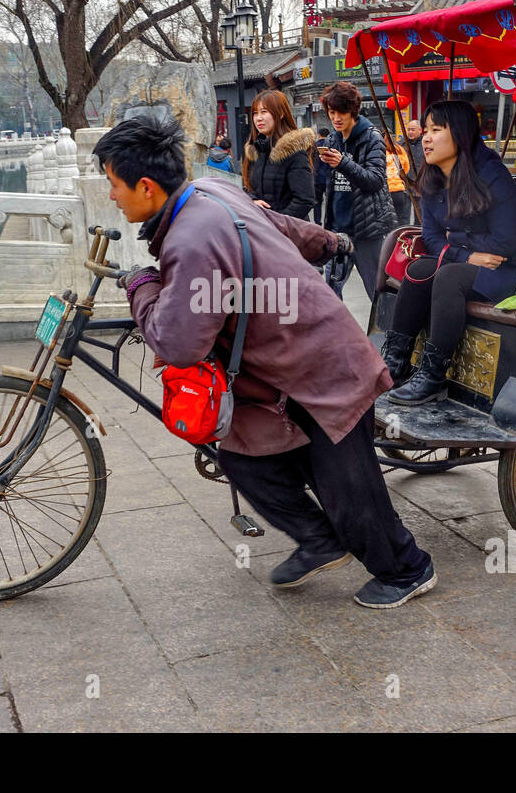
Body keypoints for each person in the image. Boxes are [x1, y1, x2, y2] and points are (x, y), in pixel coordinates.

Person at [100, 116, 436, 608]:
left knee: (349, 487)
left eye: (113, 185)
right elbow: (278, 226)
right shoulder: (209, 192)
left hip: (320, 365)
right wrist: (329, 241)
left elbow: (178, 344)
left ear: (146, 187)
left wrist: (141, 287)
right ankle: (321, 541)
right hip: (286, 367)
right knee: (240, 454)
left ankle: (407, 569)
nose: (111, 196)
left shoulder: (193, 238)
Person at [381, 100, 516, 404]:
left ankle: (433, 376)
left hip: (513, 270)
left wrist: (454, 246)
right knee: (418, 270)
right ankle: (396, 362)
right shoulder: (432, 176)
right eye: (425, 130)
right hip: (473, 265)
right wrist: (465, 253)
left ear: (460, 133)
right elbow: (430, 235)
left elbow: (504, 243)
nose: (425, 137)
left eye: (436, 130)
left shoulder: (491, 174)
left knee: (449, 277)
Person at [317, 81, 397, 301]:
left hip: (368, 230)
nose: (336, 118)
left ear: (353, 110)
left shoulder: (372, 137)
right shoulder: (333, 138)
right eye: (331, 112)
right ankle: (339, 336)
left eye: (341, 112)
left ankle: (387, 334)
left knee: (378, 292)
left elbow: (375, 181)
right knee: (331, 295)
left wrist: (343, 163)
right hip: (338, 229)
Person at [242, 90, 315, 220]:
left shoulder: (294, 151)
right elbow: (249, 188)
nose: (259, 118)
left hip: (289, 232)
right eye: (255, 113)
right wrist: (252, 200)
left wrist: (276, 222)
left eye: (264, 112)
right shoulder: (256, 150)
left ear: (280, 114)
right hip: (262, 228)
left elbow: (304, 200)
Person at [383, 126, 413, 227]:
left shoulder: (380, 150)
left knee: (388, 220)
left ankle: (390, 240)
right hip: (399, 190)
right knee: (401, 218)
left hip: (386, 190)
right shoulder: (400, 150)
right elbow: (406, 169)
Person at [312, 125, 332, 213]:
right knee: (331, 202)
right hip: (330, 178)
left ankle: (317, 223)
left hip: (317, 179)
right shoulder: (332, 145)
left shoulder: (313, 146)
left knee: (317, 202)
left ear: (319, 135)